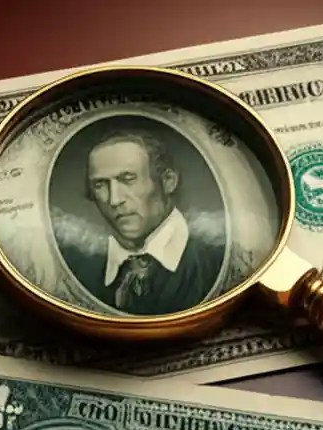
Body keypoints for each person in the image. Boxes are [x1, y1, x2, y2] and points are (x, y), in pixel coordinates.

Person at [60, 127, 225, 315]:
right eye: (100, 185)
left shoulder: (216, 259)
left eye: (128, 179)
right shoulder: (80, 272)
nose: (114, 199)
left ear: (168, 181)